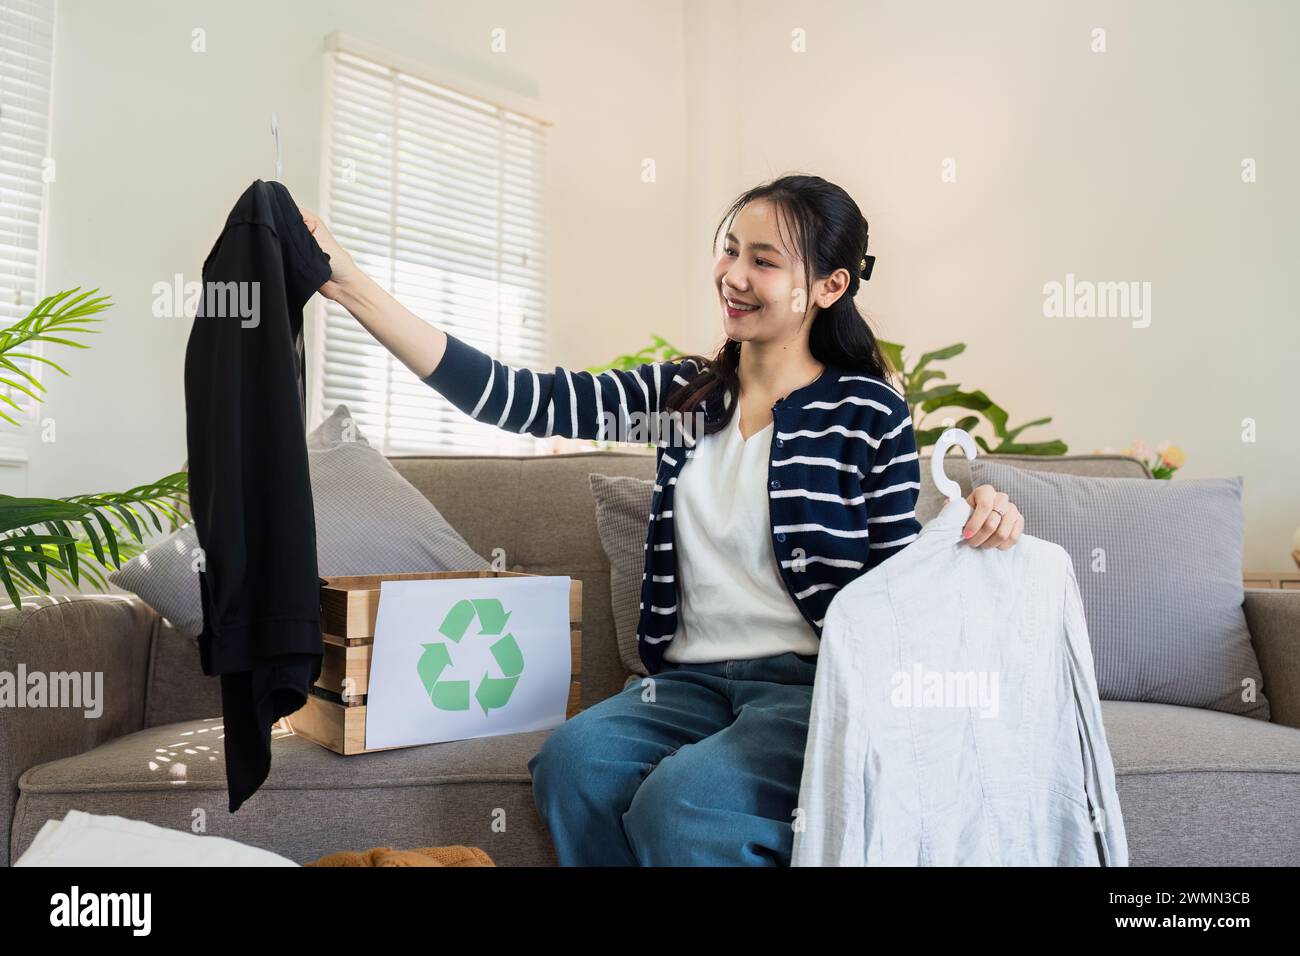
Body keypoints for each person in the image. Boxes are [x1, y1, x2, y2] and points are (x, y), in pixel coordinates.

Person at [300, 173, 1025, 866]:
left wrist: (977, 525)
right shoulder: (685, 397)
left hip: (810, 689)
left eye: (763, 261)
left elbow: (902, 580)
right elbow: (516, 399)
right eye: (730, 249)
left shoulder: (866, 411)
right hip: (682, 687)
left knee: (680, 806)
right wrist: (346, 282)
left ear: (829, 288)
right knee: (572, 763)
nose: (733, 275)